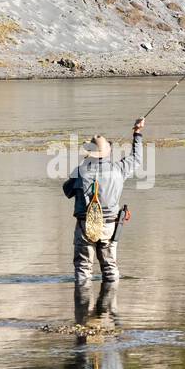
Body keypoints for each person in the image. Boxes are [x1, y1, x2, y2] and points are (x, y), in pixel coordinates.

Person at [62, 117, 144, 287]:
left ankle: (83, 304)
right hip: (109, 226)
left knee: (83, 269)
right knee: (110, 267)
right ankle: (110, 306)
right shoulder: (119, 169)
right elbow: (136, 158)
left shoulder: (80, 171)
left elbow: (66, 191)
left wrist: (84, 164)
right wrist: (137, 133)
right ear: (107, 152)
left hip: (86, 226)